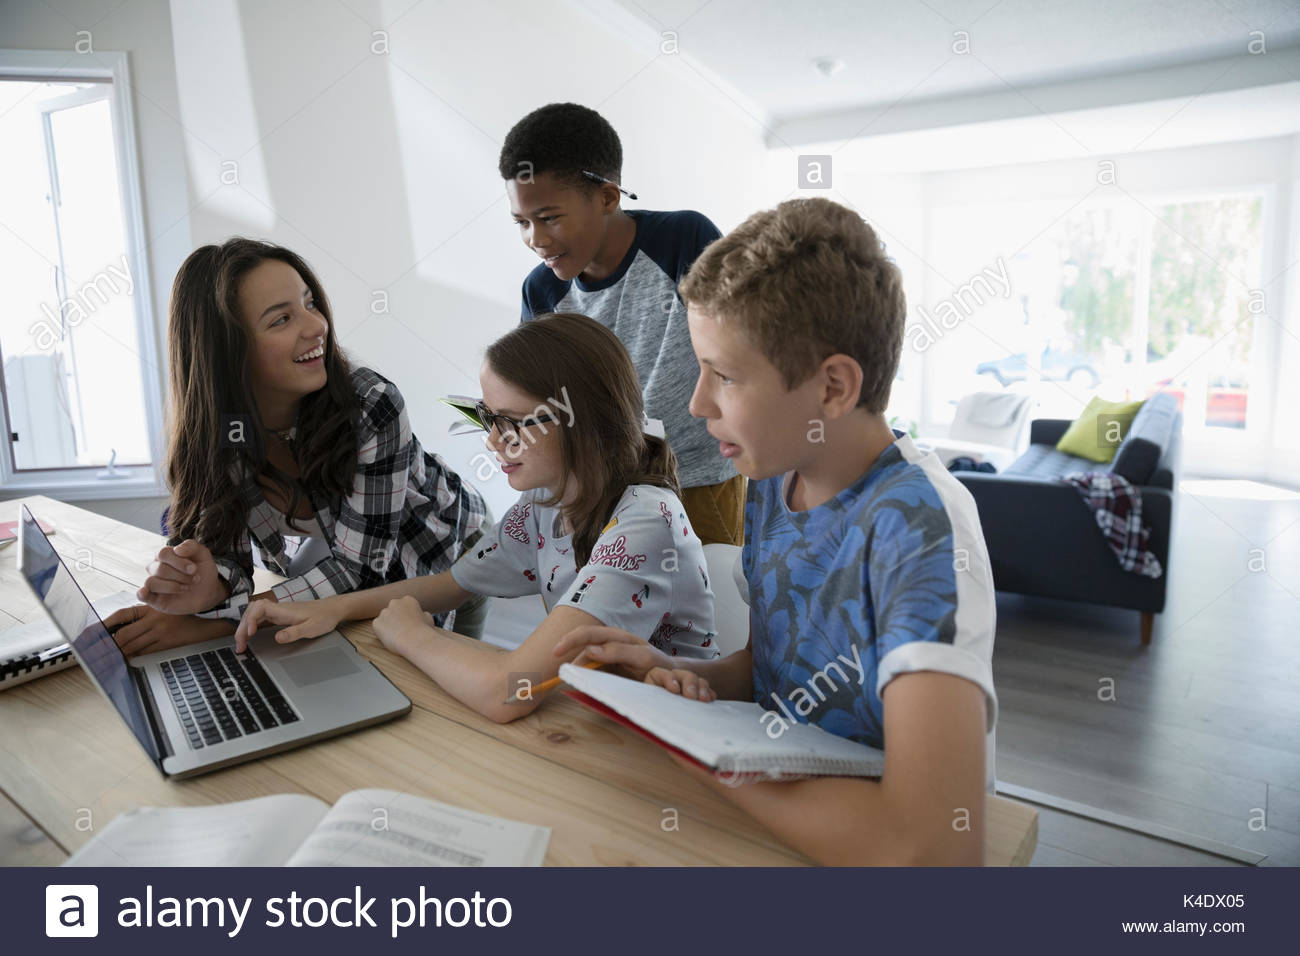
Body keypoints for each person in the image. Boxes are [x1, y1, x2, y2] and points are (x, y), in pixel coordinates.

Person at [554, 199, 999, 865]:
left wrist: (714, 764)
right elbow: (777, 669)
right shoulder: (773, 476)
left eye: (724, 375)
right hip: (781, 830)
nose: (695, 404)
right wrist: (676, 675)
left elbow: (931, 849)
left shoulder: (921, 530)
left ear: (832, 389)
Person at [236, 313, 718, 723]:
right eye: (487, 419)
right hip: (603, 722)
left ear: (580, 420)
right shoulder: (544, 504)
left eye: (509, 422)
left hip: (678, 739)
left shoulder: (644, 524)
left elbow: (509, 691)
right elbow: (452, 584)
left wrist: (413, 635)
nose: (492, 440)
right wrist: (333, 607)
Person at [105, 239, 489, 654]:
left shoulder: (370, 404)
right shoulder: (219, 437)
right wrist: (207, 585)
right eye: (281, 319)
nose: (316, 326)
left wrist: (209, 626)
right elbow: (229, 560)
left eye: (309, 304)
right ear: (227, 352)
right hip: (349, 573)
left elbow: (361, 570)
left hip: (448, 554)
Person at [500, 102, 744, 546]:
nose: (535, 239)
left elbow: (743, 349)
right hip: (600, 491)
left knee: (710, 611)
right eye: (522, 222)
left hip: (698, 482)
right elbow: (541, 398)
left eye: (550, 217)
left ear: (608, 197)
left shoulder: (683, 240)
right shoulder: (541, 292)